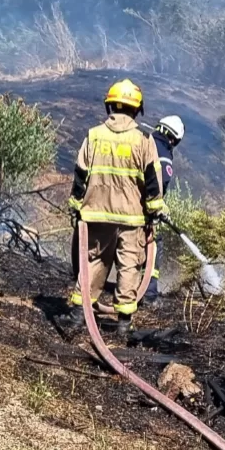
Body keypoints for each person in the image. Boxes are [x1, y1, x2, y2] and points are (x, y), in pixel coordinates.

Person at [67, 79, 168, 335]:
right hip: (132, 219)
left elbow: (80, 176)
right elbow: (153, 182)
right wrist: (155, 210)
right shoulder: (144, 140)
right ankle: (123, 325)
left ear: (110, 106)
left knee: (94, 262)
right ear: (137, 109)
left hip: (96, 215)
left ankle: (79, 315)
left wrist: (76, 205)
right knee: (129, 266)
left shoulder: (94, 136)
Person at [142, 115, 184, 306]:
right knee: (154, 244)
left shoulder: (145, 141)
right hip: (142, 211)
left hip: (121, 205)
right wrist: (158, 207)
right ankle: (149, 294)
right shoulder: (164, 153)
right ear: (173, 139)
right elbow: (161, 184)